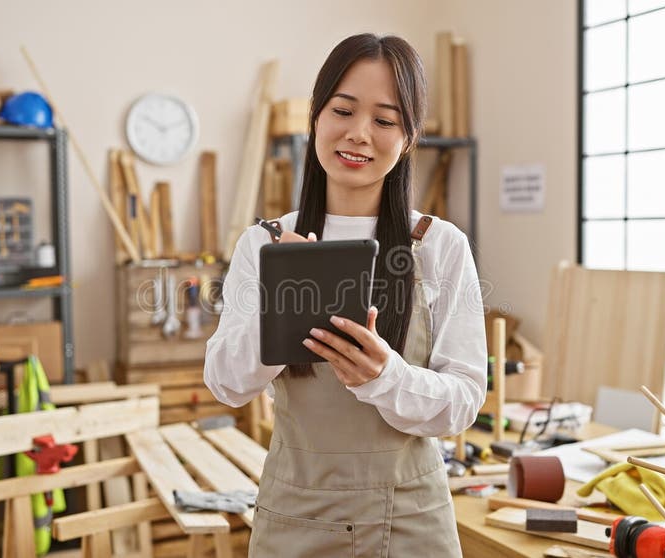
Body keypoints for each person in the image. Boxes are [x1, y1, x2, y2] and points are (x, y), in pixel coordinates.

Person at [204, 32, 487, 557]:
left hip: (411, 519)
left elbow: (465, 401)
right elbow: (225, 384)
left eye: (384, 120)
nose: (359, 134)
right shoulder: (264, 242)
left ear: (408, 138)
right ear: (316, 117)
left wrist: (387, 378)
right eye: (343, 110)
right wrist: (281, 302)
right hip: (295, 513)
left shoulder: (440, 245)